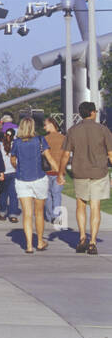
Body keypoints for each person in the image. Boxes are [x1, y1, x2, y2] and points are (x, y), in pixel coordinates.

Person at [61, 102, 112, 255]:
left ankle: (82, 236)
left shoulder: (73, 131)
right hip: (99, 172)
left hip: (80, 171)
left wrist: (60, 172)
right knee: (95, 207)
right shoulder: (103, 130)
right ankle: (93, 242)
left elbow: (65, 154)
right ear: (92, 112)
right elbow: (110, 153)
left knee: (80, 205)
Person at [11, 117, 49, 253]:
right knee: (39, 212)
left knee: (27, 214)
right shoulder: (40, 140)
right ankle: (39, 241)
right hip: (39, 178)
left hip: (22, 179)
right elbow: (48, 156)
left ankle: (28, 245)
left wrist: (18, 166)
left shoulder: (16, 142)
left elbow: (13, 160)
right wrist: (59, 172)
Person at [42, 115, 68, 227]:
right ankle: (57, 217)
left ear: (52, 124)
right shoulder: (64, 138)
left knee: (47, 194)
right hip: (60, 171)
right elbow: (66, 156)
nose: (44, 127)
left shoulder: (44, 139)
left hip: (46, 171)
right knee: (56, 194)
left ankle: (49, 216)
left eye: (45, 124)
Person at [0, 127, 20, 223]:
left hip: (2, 172)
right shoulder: (16, 145)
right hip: (14, 172)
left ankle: (2, 212)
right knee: (13, 194)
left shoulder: (0, 145)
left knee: (3, 193)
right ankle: (13, 214)